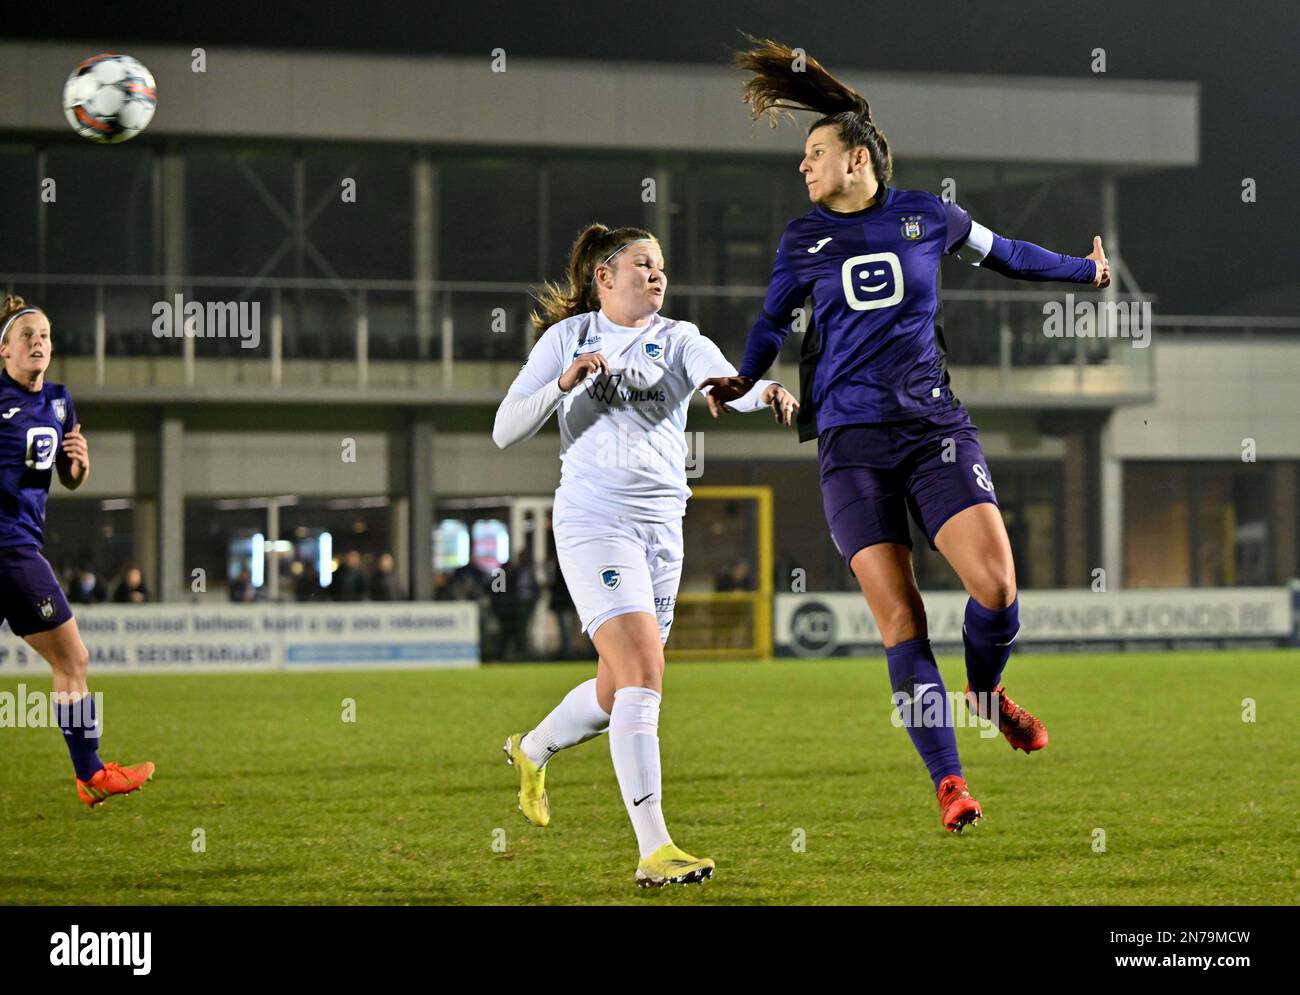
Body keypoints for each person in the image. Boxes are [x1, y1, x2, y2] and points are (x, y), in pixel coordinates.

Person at [705, 40, 1107, 833]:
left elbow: (1008, 256)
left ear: (859, 160)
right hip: (850, 446)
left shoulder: (929, 214)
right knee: (902, 618)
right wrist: (746, 380)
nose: (803, 166)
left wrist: (1083, 273)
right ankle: (950, 781)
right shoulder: (800, 241)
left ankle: (988, 694)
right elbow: (769, 325)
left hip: (933, 431)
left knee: (996, 586)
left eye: (815, 152)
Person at [494, 223, 798, 887]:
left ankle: (532, 747)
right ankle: (655, 847)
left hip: (663, 530)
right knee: (642, 669)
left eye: (661, 265)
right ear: (604, 277)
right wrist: (563, 384)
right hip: (593, 521)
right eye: (641, 264)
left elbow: (724, 380)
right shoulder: (567, 341)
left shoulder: (679, 337)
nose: (656, 275)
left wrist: (762, 392)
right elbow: (504, 427)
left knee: (616, 688)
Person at [0, 294, 155, 806]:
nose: (38, 342)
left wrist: (80, 463)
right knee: (74, 660)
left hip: (19, 548)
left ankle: (90, 775)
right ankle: (91, 774)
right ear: (5, 351)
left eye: (43, 334)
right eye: (27, 336)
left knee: (72, 664)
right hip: (12, 550)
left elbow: (68, 477)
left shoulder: (60, 400)